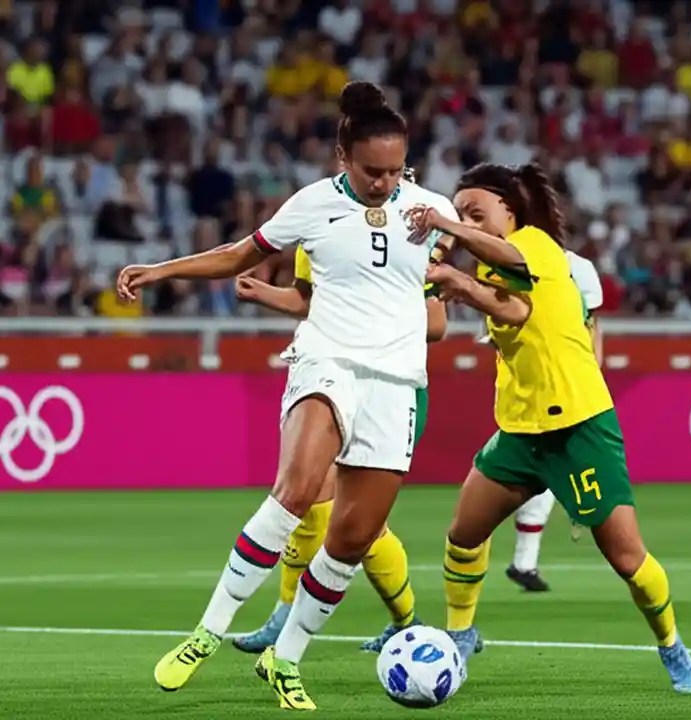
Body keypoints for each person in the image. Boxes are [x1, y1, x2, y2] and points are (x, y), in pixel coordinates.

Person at [119, 81, 457, 710]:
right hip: (326, 362)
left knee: (353, 539)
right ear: (342, 157)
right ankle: (207, 632)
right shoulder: (311, 206)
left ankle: (287, 658)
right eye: (371, 170)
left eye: (395, 170)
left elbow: (469, 286)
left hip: (398, 385)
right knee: (298, 490)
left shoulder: (433, 210)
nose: (385, 182)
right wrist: (162, 270)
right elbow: (239, 254)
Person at [409, 162, 691, 694]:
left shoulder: (537, 246)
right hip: (520, 431)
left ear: (510, 210)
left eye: (476, 212)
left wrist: (447, 231)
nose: (468, 221)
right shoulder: (494, 270)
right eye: (461, 213)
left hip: (578, 425)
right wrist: (450, 278)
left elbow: (516, 307)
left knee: (627, 558)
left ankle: (671, 644)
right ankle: (460, 635)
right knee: (463, 534)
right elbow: (509, 305)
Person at [230, 209, 450, 655]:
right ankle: (290, 612)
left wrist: (374, 320)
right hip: (329, 378)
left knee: (357, 523)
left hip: (388, 390)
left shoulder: (406, 246)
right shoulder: (320, 229)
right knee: (313, 503)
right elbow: (307, 302)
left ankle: (404, 619)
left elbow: (438, 325)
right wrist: (265, 294)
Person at [502, 249, 604, 592]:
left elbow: (591, 323)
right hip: (539, 387)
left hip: (561, 384)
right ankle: (520, 561)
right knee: (543, 471)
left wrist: (591, 372)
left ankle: (523, 563)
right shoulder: (517, 260)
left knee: (540, 474)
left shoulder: (574, 266)